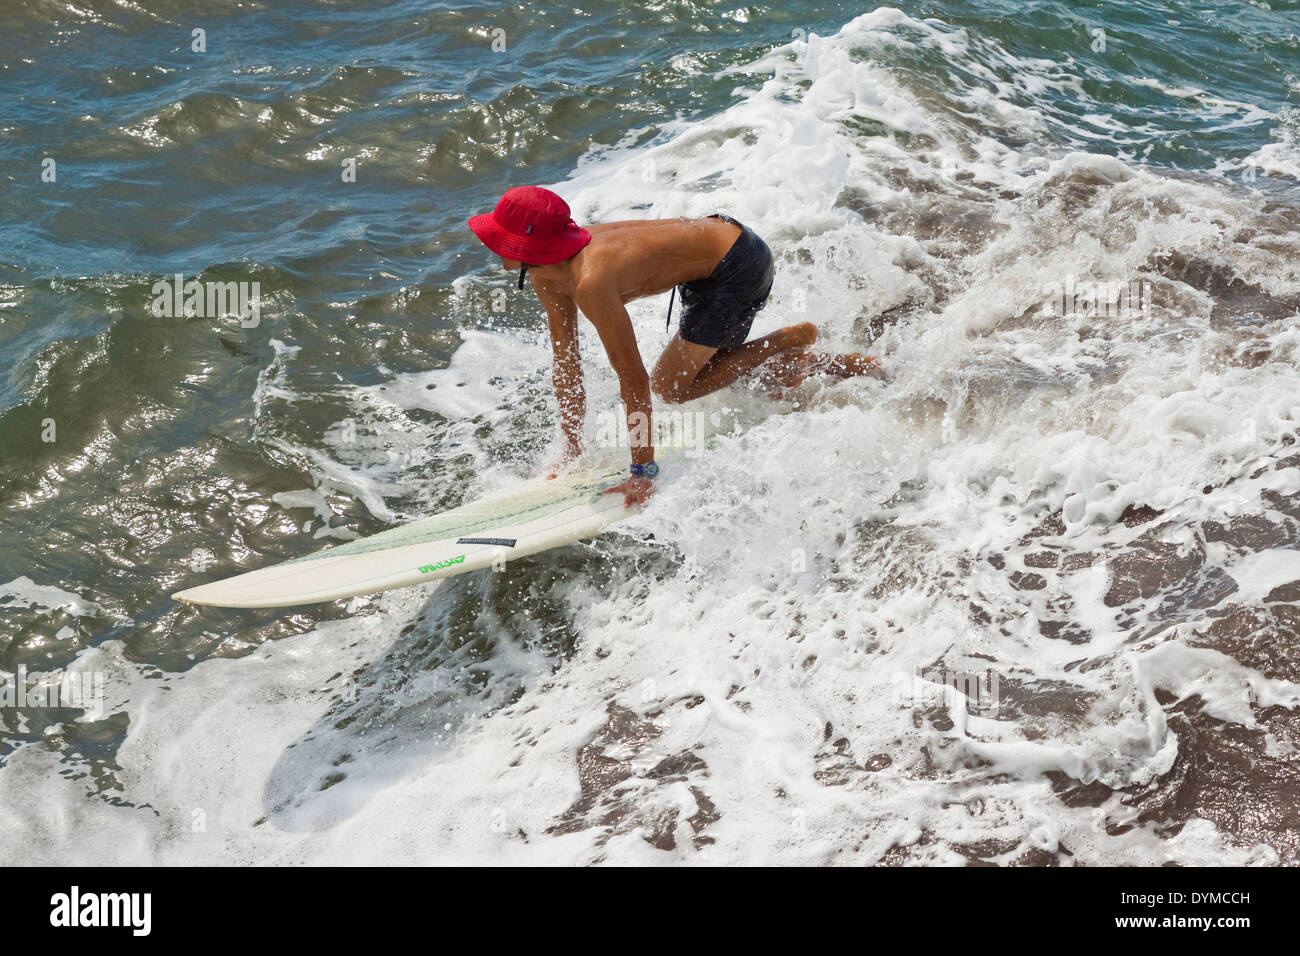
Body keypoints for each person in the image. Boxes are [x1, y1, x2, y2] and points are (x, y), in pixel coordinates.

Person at [468, 186, 884, 507]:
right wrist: (570, 452)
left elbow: (632, 377)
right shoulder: (546, 274)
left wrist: (642, 469)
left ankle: (786, 341)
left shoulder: (591, 282)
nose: (492, 248)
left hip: (737, 264)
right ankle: (832, 363)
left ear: (532, 248)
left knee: (672, 386)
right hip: (710, 250)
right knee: (723, 375)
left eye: (502, 239)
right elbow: (566, 363)